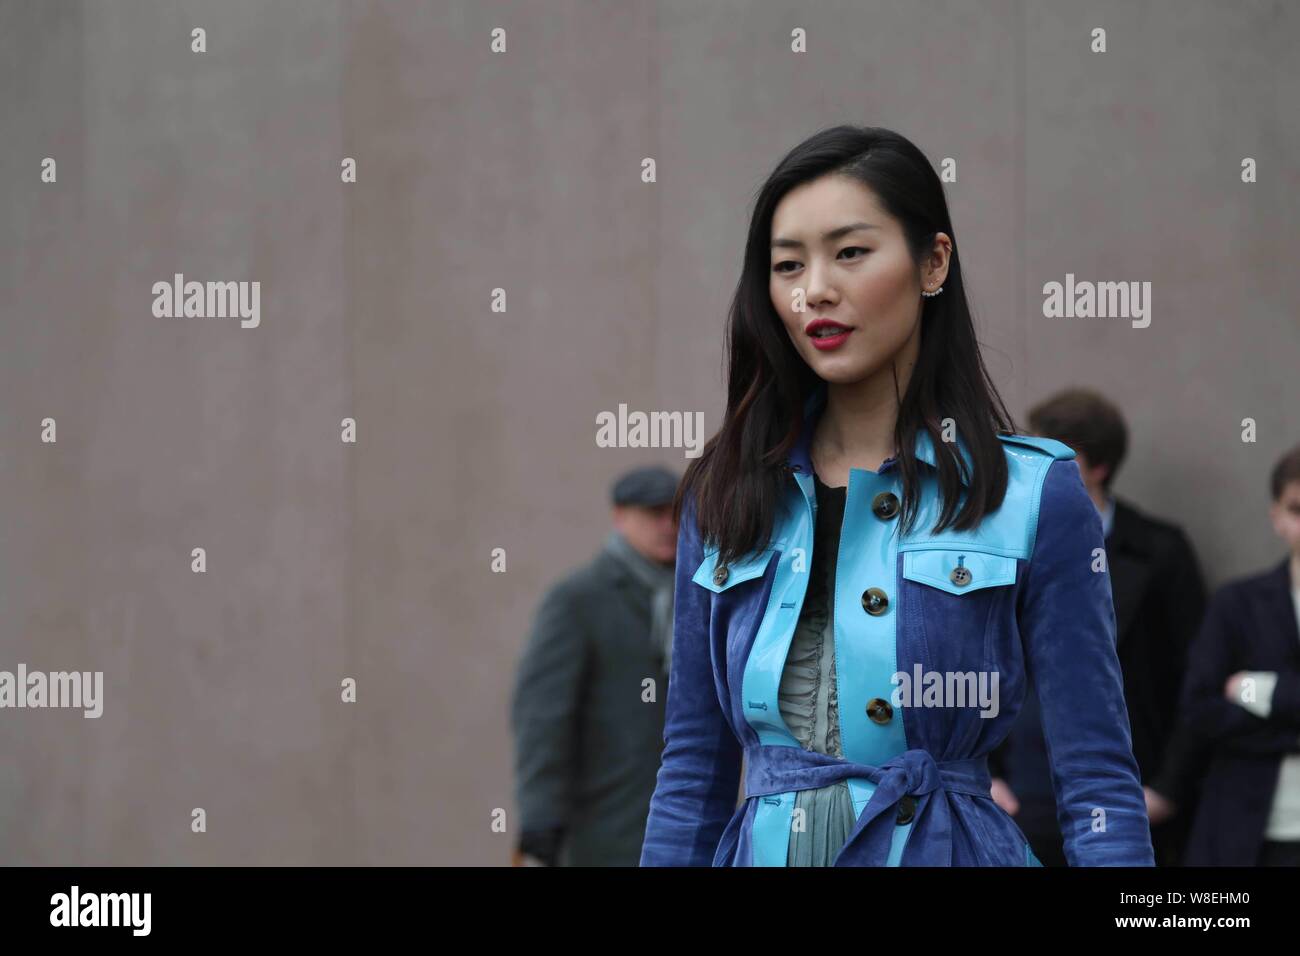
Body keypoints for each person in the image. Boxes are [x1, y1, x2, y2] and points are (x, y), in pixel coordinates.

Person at [638, 125, 1154, 867]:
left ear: (932, 262)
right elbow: (691, 773)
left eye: (850, 252)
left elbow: (1097, 779)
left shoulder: (1033, 492)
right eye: (788, 265)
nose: (815, 288)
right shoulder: (722, 495)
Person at [989, 389, 1207, 866]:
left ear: (1098, 466)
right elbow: (973, 655)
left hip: (1123, 793)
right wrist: (983, 773)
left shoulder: (1160, 551)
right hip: (1017, 796)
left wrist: (1167, 788)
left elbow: (1196, 678)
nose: (1033, 467)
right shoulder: (1001, 539)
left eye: (1058, 454)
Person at [510, 465, 680, 866]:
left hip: (681, 830)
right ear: (619, 516)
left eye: (676, 512)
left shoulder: (699, 595)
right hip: (603, 830)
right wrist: (540, 825)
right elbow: (542, 720)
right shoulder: (579, 599)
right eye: (654, 513)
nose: (668, 524)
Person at [1170, 444, 1300, 866]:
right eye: (1297, 509)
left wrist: (1263, 692)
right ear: (1276, 516)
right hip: (1244, 831)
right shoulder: (1238, 603)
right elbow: (1199, 707)